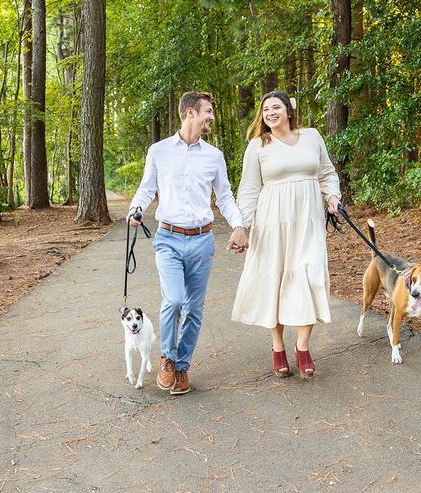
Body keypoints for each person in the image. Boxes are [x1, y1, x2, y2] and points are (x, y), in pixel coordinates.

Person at [128, 91, 248, 396]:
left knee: (194, 308)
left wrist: (238, 225)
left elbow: (224, 197)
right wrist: (135, 208)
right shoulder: (159, 151)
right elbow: (146, 188)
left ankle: (182, 367)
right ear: (190, 113)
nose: (211, 117)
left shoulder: (214, 156)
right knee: (175, 300)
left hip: (202, 241)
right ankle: (167, 357)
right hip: (167, 237)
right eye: (207, 111)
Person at [230, 90, 340, 378]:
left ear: (289, 111)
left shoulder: (312, 136)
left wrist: (332, 197)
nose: (270, 113)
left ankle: (302, 347)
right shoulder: (257, 146)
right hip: (271, 222)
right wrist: (241, 227)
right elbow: (249, 189)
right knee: (275, 281)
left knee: (309, 276)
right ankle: (277, 347)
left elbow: (327, 173)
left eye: (276, 107)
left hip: (308, 220)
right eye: (266, 109)